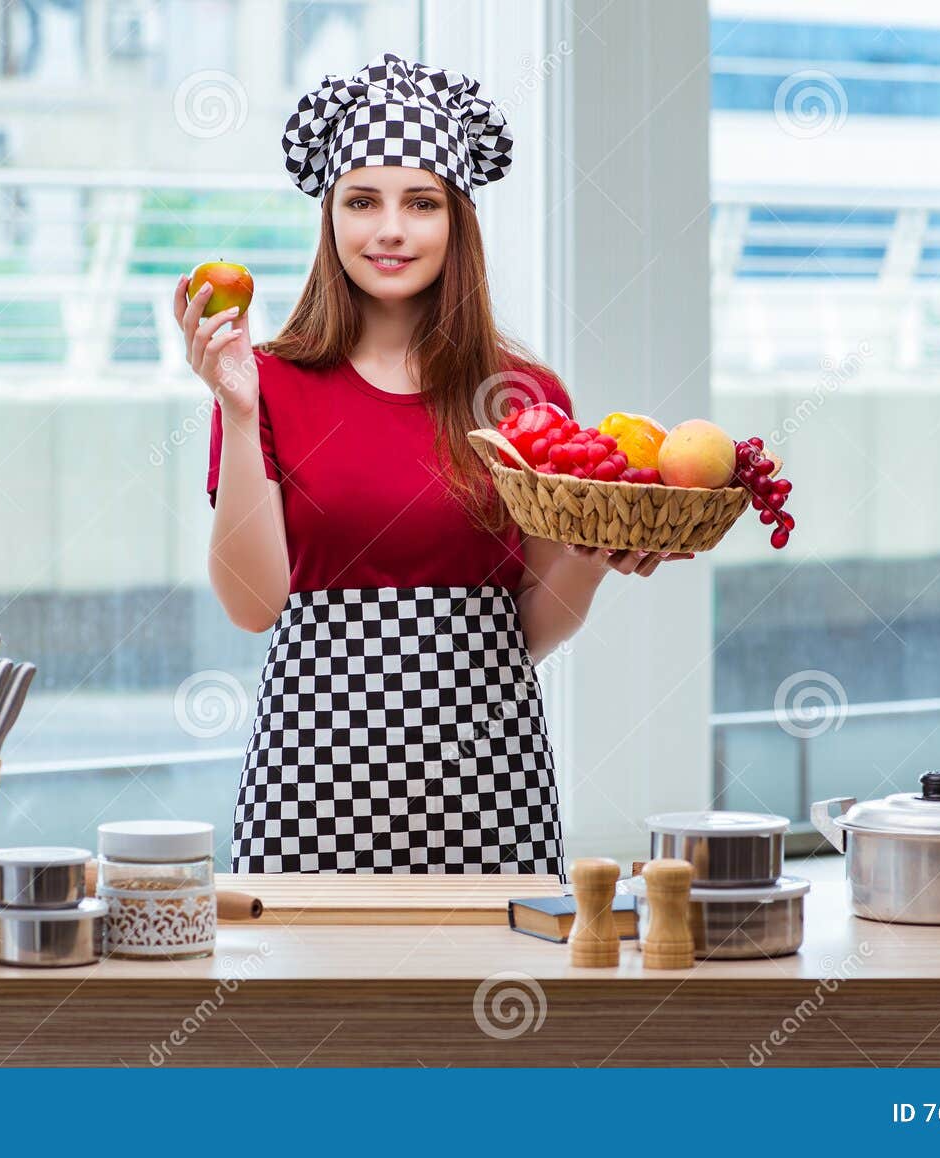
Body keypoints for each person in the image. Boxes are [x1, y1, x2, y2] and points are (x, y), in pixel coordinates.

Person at [175, 53, 690, 877]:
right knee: (305, 1004)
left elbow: (529, 630)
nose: (390, 229)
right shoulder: (262, 385)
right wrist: (237, 412)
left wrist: (589, 563)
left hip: (491, 780)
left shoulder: (525, 396)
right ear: (330, 218)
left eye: (421, 203)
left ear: (457, 223)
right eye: (363, 201)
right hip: (309, 782)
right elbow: (252, 605)